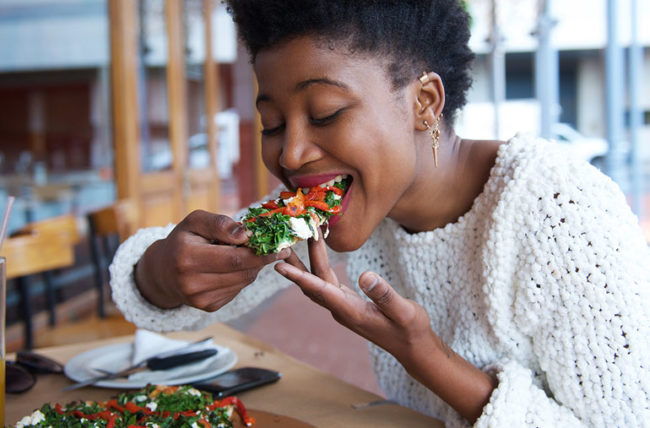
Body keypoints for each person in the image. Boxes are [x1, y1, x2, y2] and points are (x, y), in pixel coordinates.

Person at [109, 1, 650, 426]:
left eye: (327, 113)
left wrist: (424, 356)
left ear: (425, 103)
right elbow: (174, 295)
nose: (291, 154)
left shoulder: (559, 211)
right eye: (272, 123)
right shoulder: (339, 199)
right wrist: (164, 270)